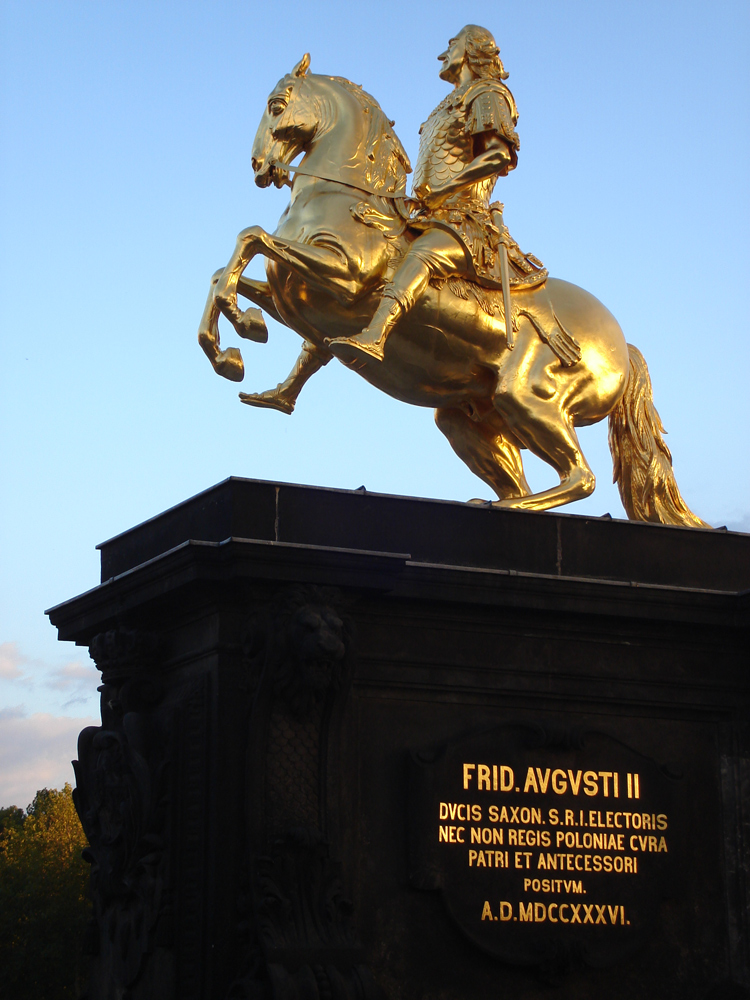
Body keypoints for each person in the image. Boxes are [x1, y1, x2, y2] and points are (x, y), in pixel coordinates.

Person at [329, 24, 580, 367]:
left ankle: (376, 337)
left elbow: (497, 155)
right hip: (431, 213)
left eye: (452, 44)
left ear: (473, 51)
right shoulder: (448, 104)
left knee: (422, 256)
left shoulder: (487, 94)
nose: (442, 53)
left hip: (466, 220)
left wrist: (445, 189)